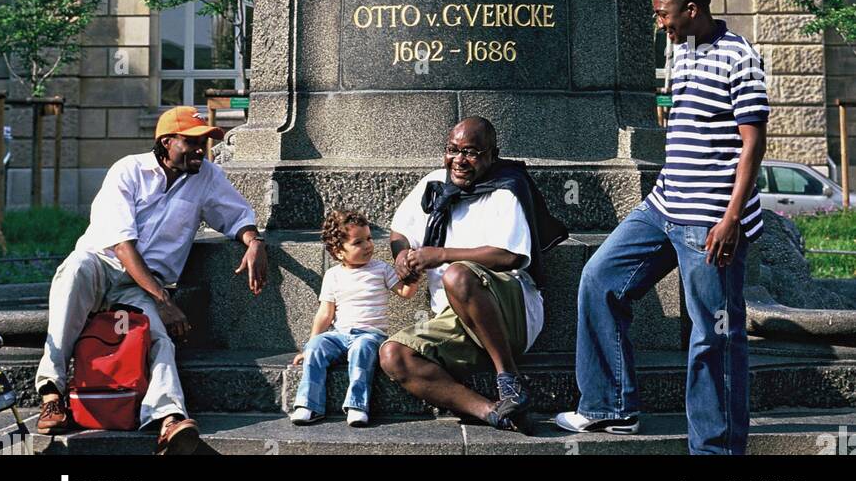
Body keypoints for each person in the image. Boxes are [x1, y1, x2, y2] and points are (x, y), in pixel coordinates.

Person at [556, 0, 769, 455]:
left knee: (713, 337)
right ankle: (610, 405)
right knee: (600, 278)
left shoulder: (742, 59)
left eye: (663, 14)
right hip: (665, 204)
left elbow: (753, 144)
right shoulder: (683, 49)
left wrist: (731, 219)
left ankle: (716, 452)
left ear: (691, 10)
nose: (659, 23)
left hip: (712, 219)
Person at [35, 106, 268, 455]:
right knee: (73, 272)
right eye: (191, 141)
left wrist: (254, 242)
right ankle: (52, 391)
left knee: (159, 338)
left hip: (141, 285)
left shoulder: (206, 175)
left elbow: (234, 214)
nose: (200, 148)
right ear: (166, 142)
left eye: (204, 140)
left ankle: (169, 419)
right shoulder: (128, 170)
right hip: (103, 264)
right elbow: (122, 244)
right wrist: (165, 302)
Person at [380, 116, 569, 430]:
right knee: (393, 355)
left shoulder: (506, 188)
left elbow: (510, 255)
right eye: (452, 150)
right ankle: (492, 412)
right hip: (454, 318)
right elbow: (400, 230)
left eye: (470, 152)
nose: (459, 160)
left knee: (458, 275)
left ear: (492, 155)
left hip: (510, 312)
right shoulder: (434, 183)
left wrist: (440, 255)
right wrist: (401, 255)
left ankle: (509, 380)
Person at [289, 208, 416, 427]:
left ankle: (357, 405)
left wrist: (414, 274)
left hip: (370, 336)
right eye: (358, 242)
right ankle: (308, 405)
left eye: (369, 238)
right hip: (339, 335)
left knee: (361, 350)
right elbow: (325, 313)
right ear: (338, 252)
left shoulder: (381, 269)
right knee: (317, 346)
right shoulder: (333, 276)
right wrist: (308, 345)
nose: (367, 245)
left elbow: (405, 292)